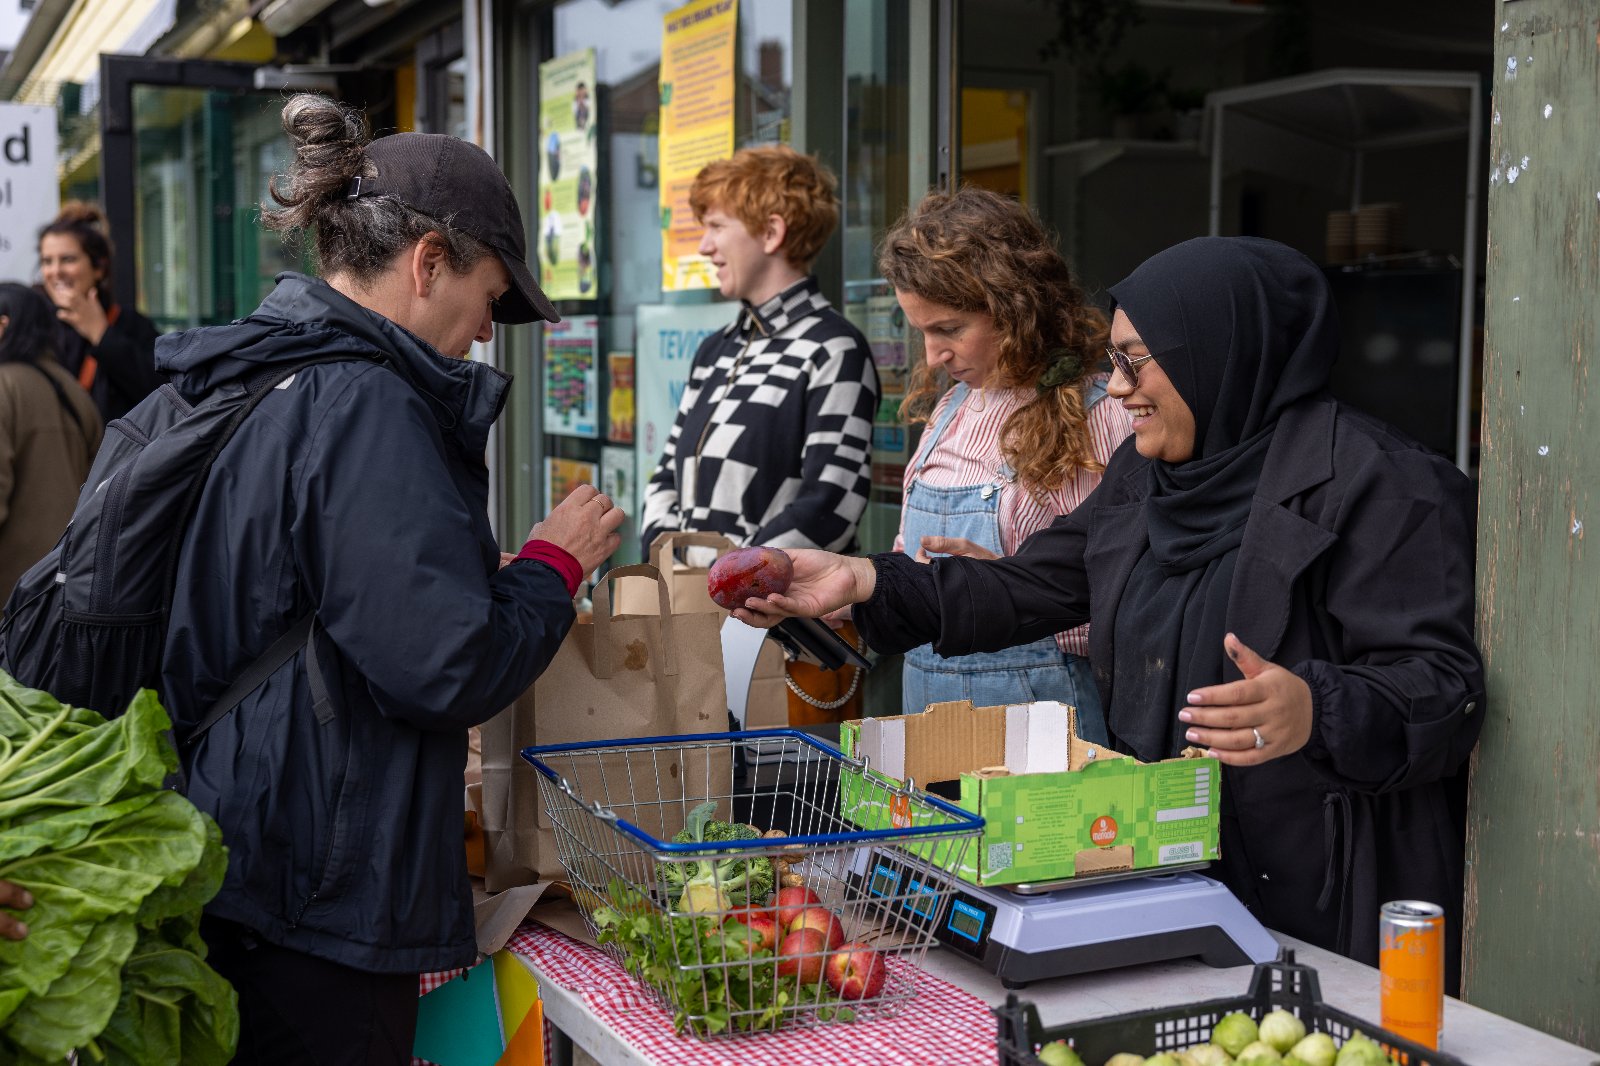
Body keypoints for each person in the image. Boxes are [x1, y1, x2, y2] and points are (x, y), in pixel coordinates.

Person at [734, 236, 1485, 989]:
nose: (1118, 388)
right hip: (1179, 860)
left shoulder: (1385, 485)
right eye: (1114, 361)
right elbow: (1033, 585)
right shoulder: (1149, 477)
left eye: (1135, 361)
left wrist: (1315, 708)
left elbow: (1445, 687)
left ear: (1217, 352)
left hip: (1327, 888)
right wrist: (863, 579)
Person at [157, 95, 623, 1063]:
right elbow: (447, 665)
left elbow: (308, 593)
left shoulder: (274, 369)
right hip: (320, 887)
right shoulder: (367, 400)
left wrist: (459, 575)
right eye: (491, 296)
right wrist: (551, 565)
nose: (489, 332)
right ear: (426, 263)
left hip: (244, 846)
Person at [876, 189, 1131, 734]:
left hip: (1041, 726)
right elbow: (908, 552)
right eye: (920, 330)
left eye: (948, 329)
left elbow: (1128, 592)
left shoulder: (1105, 414)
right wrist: (866, 592)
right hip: (926, 714)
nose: (933, 356)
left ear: (1016, 307)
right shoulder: (950, 409)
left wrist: (1004, 591)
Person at [639, 144, 879, 560]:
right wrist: (670, 559)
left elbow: (829, 505)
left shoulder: (835, 349)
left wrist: (726, 579)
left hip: (777, 621)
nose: (704, 246)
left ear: (771, 233)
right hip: (691, 611)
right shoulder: (715, 349)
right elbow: (665, 479)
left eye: (716, 226)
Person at [0, 282, 103, 600]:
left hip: (11, 591)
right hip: (66, 580)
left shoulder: (4, 386)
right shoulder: (71, 389)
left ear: (3, 326)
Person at [37, 203, 163, 423]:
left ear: (99, 268)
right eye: (47, 261)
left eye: (68, 259)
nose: (55, 271)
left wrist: (102, 334)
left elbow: (159, 396)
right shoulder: (34, 324)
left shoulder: (132, 325)